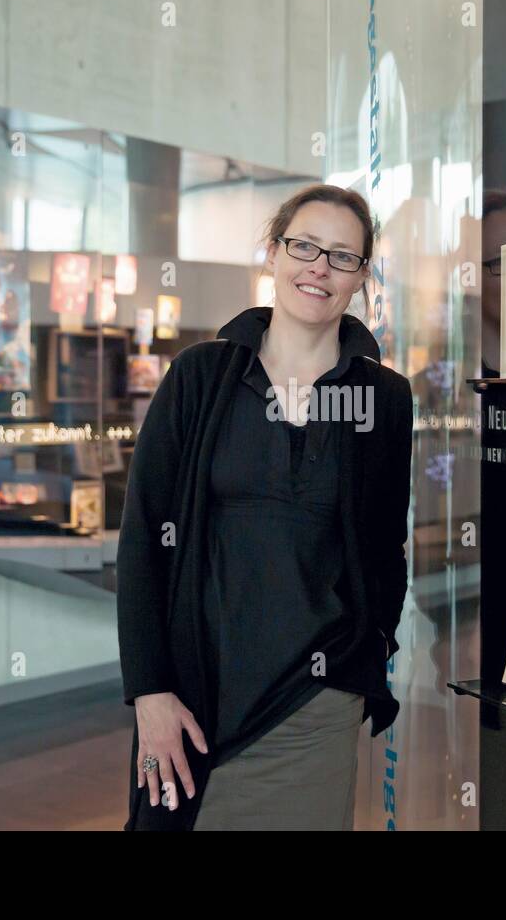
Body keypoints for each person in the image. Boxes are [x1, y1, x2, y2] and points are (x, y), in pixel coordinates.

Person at [117, 184, 414, 830]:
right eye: (304, 246)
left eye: (342, 256)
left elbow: (387, 547)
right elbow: (142, 540)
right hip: (194, 699)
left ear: (362, 277)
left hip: (314, 704)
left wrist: (364, 658)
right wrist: (149, 690)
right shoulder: (201, 378)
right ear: (273, 254)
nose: (319, 267)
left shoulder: (383, 398)